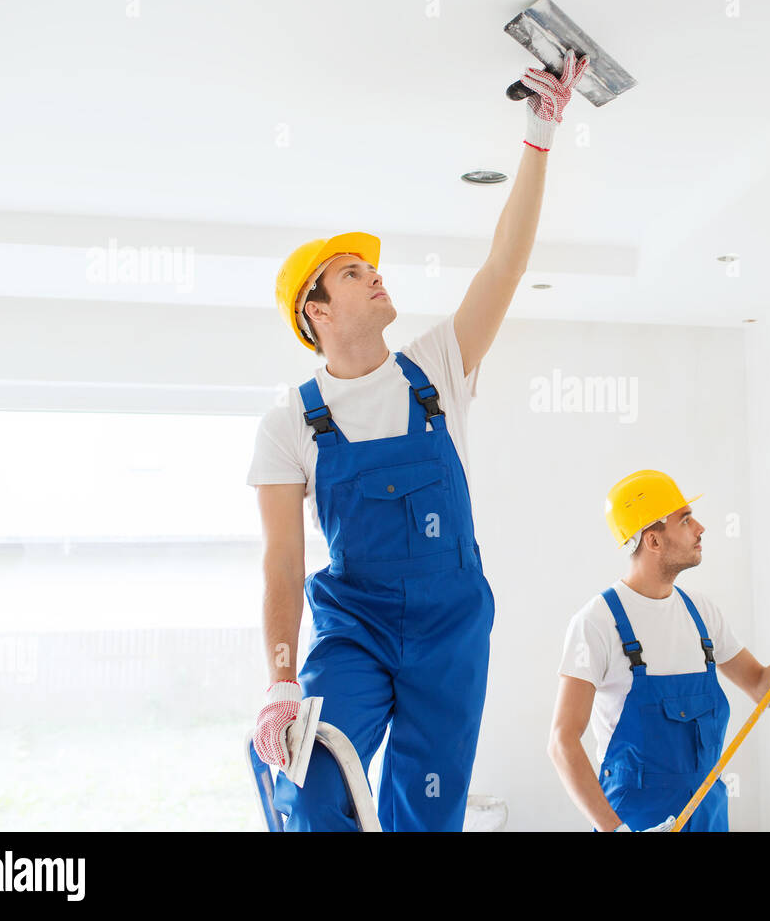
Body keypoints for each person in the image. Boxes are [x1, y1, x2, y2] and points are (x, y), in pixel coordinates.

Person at [247, 53, 590, 831]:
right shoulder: (289, 425)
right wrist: (278, 682)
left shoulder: (436, 369)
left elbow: (507, 261)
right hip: (353, 628)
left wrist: (538, 135)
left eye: (371, 266)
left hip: (452, 628)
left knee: (426, 814)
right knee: (309, 784)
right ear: (317, 314)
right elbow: (283, 562)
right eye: (350, 272)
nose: (374, 276)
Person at [548, 469, 770, 831]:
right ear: (653, 540)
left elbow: (764, 689)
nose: (701, 529)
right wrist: (616, 831)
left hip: (710, 818)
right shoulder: (596, 623)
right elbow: (562, 741)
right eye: (686, 520)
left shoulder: (701, 614)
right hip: (637, 822)